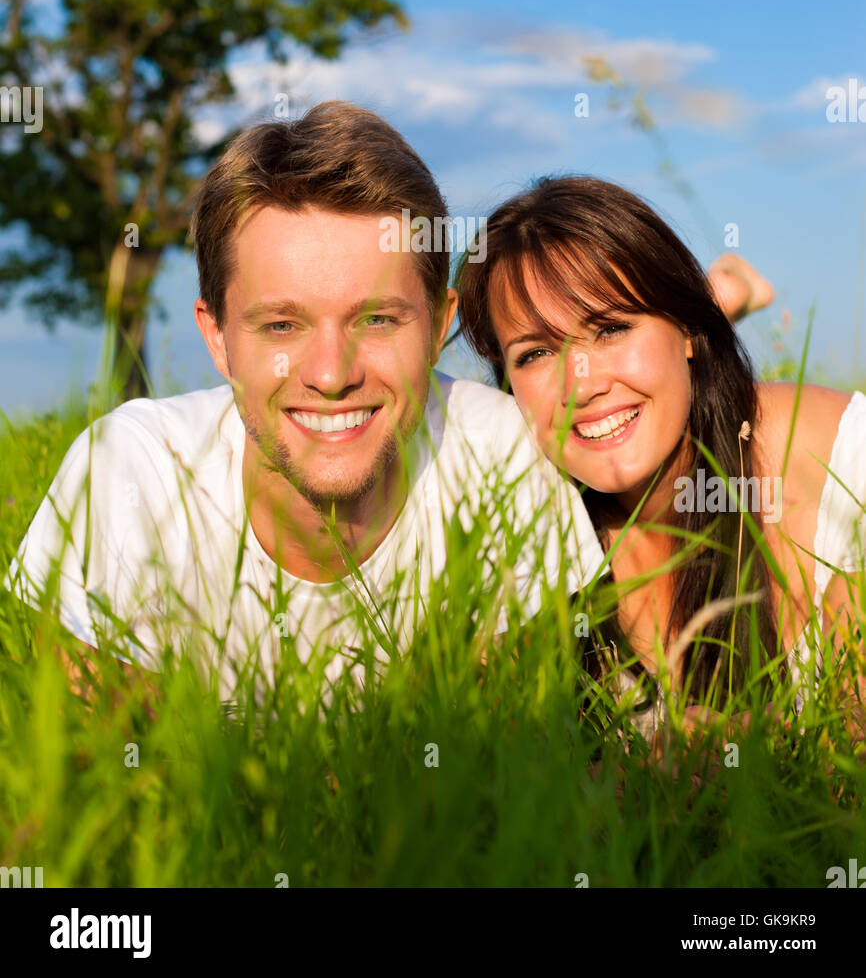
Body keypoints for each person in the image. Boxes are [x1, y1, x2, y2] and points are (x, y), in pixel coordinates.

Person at [5, 104, 604, 708]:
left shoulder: (499, 455)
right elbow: (103, 761)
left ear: (437, 327)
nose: (330, 374)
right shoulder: (130, 468)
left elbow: (496, 752)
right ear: (218, 338)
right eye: (282, 325)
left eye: (376, 319)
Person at [456, 174, 866, 735]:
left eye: (610, 327)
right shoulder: (518, 541)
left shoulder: (827, 457)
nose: (582, 384)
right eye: (536, 353)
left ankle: (727, 290)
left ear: (688, 329)